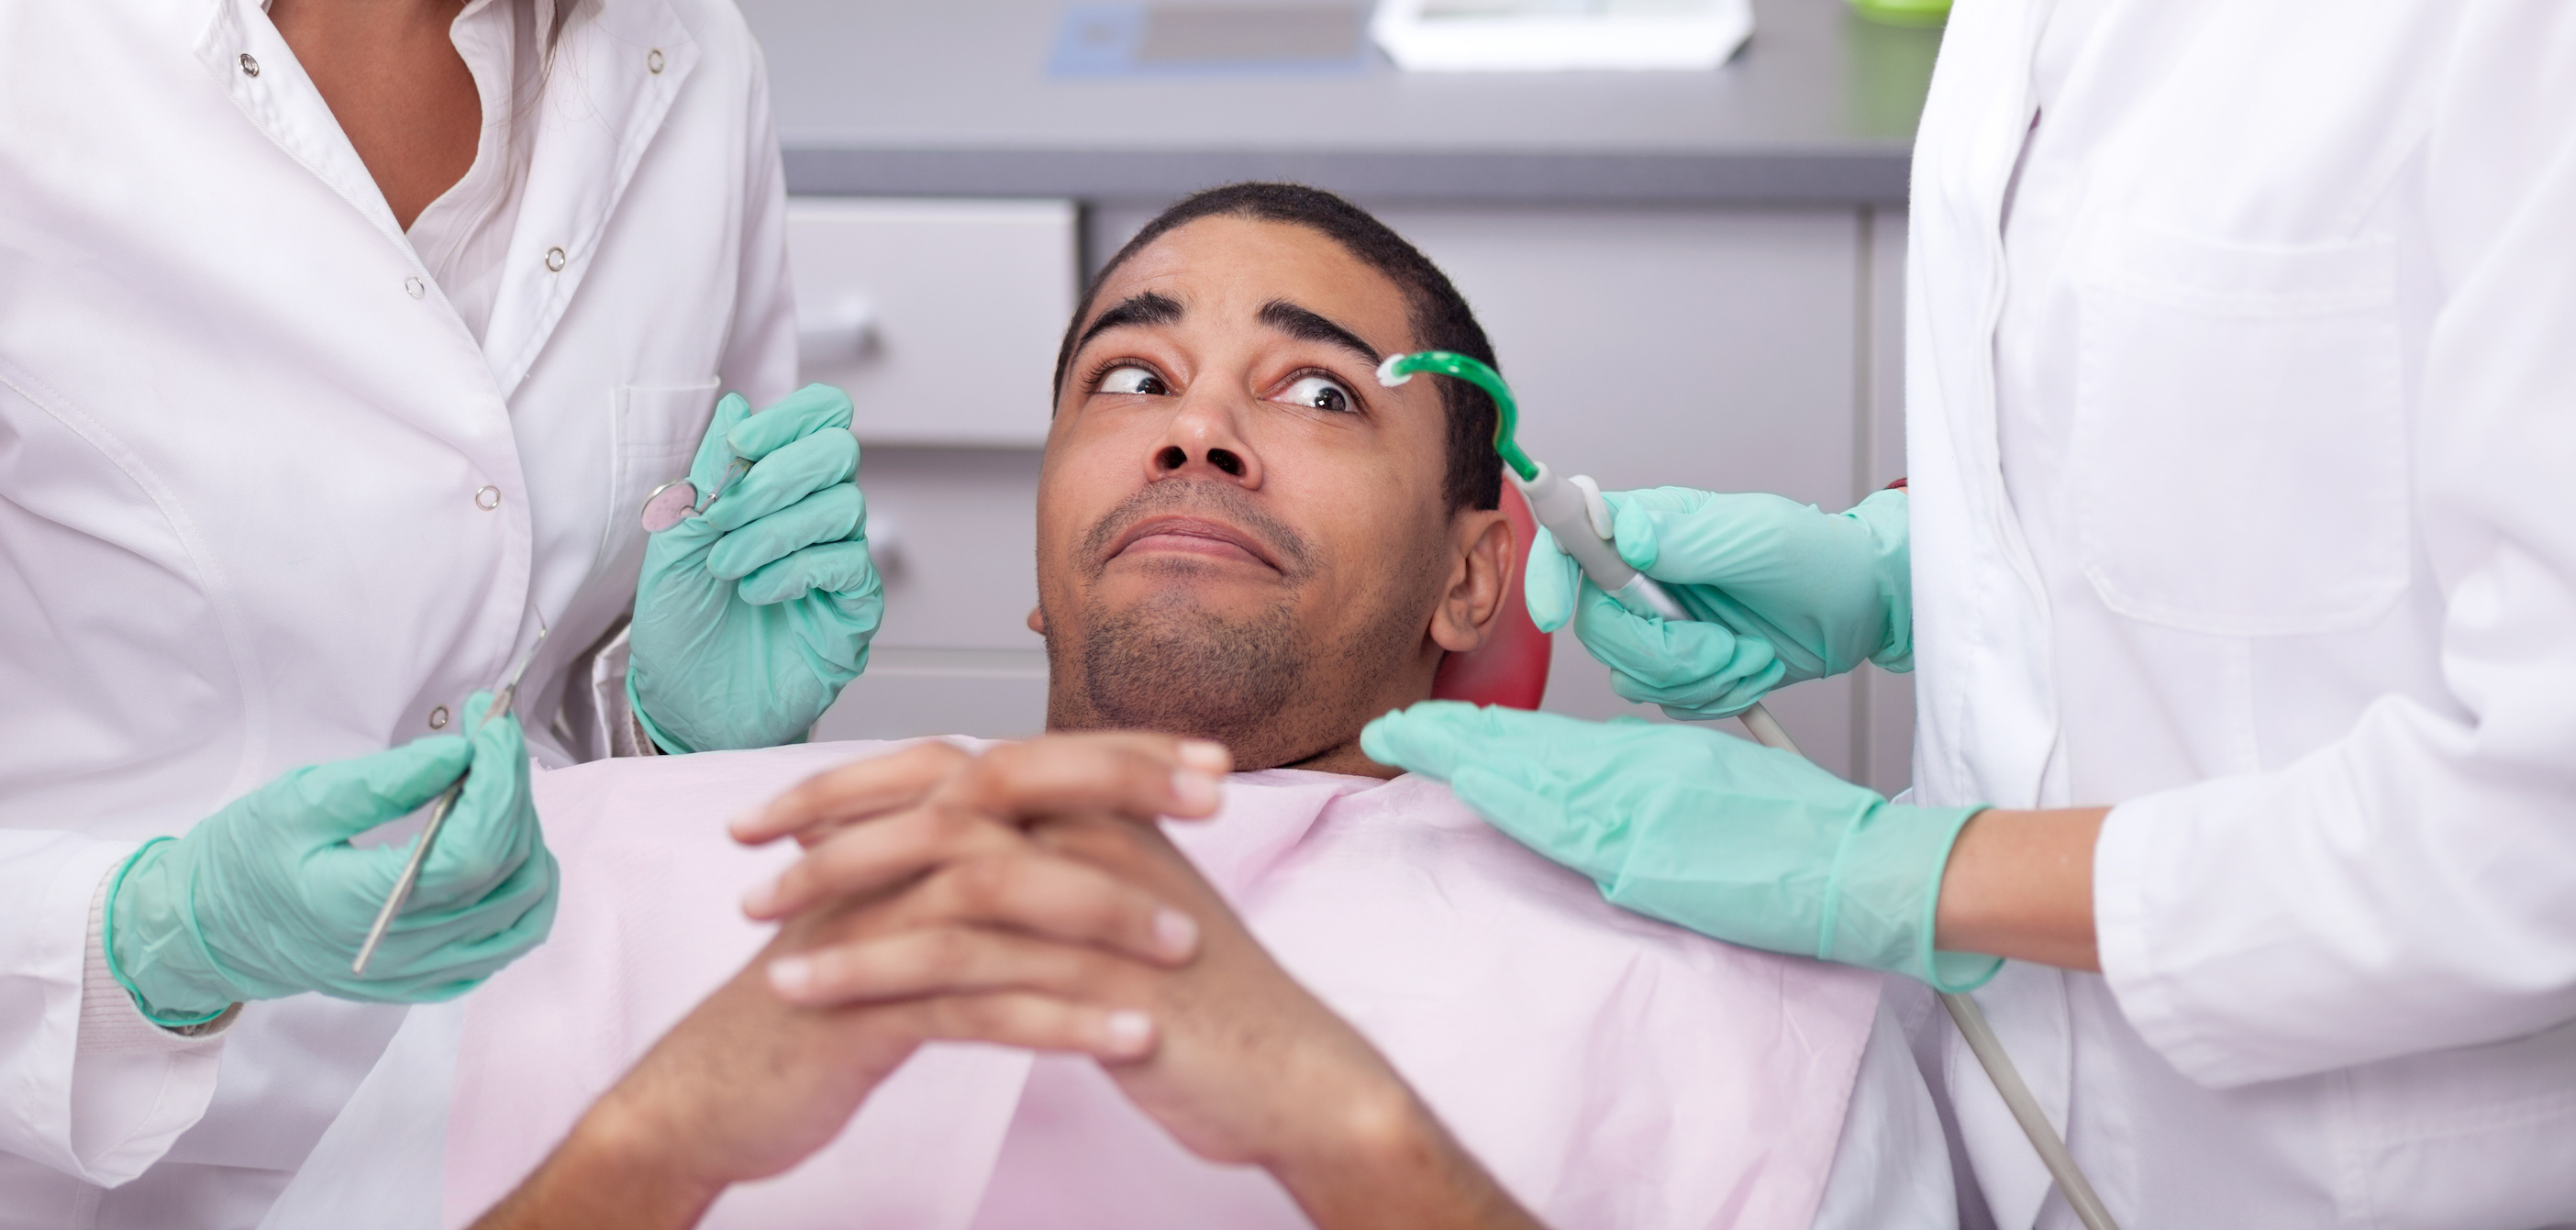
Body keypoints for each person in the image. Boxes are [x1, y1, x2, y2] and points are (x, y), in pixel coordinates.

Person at [1365, 0, 2576, 1225]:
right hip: (1990, 1127)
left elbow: (2547, 823)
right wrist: (1904, 570)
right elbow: (2244, 429)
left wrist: (1906, 873)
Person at [264, 184, 1952, 1230]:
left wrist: (1355, 1141)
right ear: (1040, 556)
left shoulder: (1729, 995)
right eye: (1129, 378)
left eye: (1314, 392)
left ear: (1473, 576)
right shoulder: (616, 872)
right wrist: (655, 1146)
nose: (1193, 435)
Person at [0, 0, 885, 1222]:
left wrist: (684, 722)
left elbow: (572, 686)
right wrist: (161, 935)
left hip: (564, 1134)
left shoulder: (680, 52)